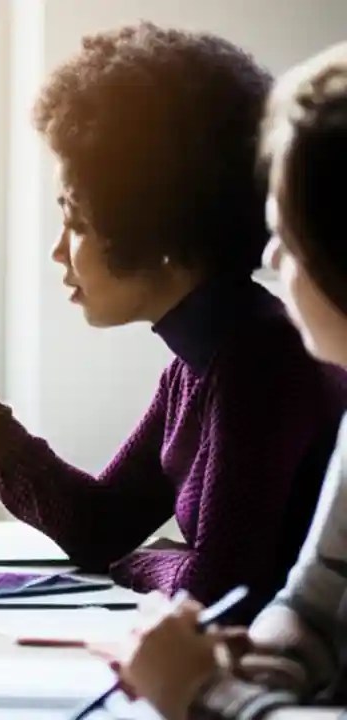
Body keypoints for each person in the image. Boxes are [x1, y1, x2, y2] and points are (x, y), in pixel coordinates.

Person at [0, 23, 347, 622]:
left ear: (152, 223)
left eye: (76, 220)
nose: (58, 250)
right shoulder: (205, 357)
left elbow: (214, 592)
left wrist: (144, 561)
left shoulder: (260, 359)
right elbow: (101, 527)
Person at [101, 41, 347, 720]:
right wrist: (259, 659)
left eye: (289, 237)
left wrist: (206, 694)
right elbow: (311, 610)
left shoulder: (260, 353)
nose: (270, 258)